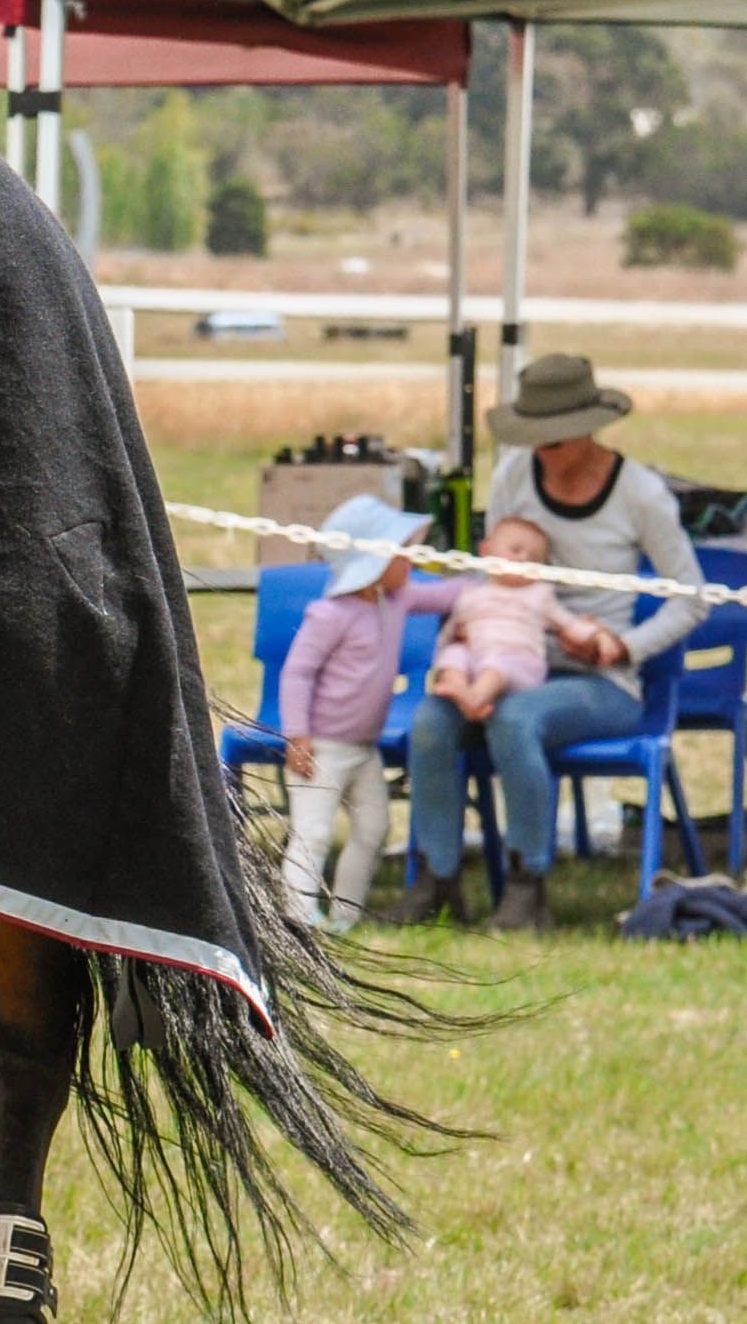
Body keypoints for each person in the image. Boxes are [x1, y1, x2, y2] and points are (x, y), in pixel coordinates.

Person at [396, 354, 705, 932]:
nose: (541, 450)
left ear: (590, 427)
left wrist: (626, 647)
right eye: (532, 437)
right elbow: (498, 567)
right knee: (432, 722)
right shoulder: (514, 475)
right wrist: (470, 624)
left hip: (600, 683)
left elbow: (693, 597)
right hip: (506, 661)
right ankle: (435, 884)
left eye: (553, 440)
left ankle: (526, 890)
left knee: (515, 718)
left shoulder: (640, 493)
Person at [276, 495, 445, 930]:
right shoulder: (330, 615)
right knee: (312, 833)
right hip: (322, 749)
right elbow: (297, 673)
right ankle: (297, 918)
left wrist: (508, 579)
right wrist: (298, 734)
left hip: (363, 749)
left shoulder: (396, 601)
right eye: (400, 549)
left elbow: (450, 594)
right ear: (371, 562)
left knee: (372, 830)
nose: (411, 558)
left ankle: (345, 916)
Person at [426, 520, 615, 721]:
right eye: (515, 550)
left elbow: (568, 622)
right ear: (486, 550)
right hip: (477, 659)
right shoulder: (471, 594)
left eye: (534, 558)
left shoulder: (539, 595)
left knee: (496, 662)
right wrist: (440, 662)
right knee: (454, 653)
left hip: (520, 664)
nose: (524, 559)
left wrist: (599, 636)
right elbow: (450, 631)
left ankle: (475, 699)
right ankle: (459, 688)